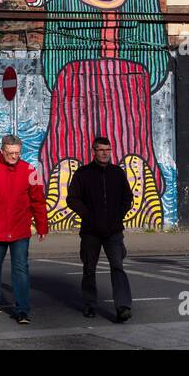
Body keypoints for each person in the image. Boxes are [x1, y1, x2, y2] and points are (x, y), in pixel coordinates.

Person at [0, 134, 48, 324]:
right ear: (2, 151)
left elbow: (37, 199)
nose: (14, 157)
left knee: (20, 269)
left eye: (17, 153)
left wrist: (42, 224)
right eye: (11, 153)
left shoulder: (29, 170)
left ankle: (22, 309)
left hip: (20, 229)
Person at [66, 136, 134, 322]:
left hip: (114, 231)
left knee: (118, 267)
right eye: (101, 150)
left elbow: (127, 198)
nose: (105, 153)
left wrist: (119, 214)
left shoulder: (117, 173)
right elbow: (72, 199)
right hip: (90, 232)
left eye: (108, 150)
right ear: (93, 151)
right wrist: (88, 215)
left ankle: (123, 307)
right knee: (89, 269)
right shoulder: (83, 173)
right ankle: (89, 305)